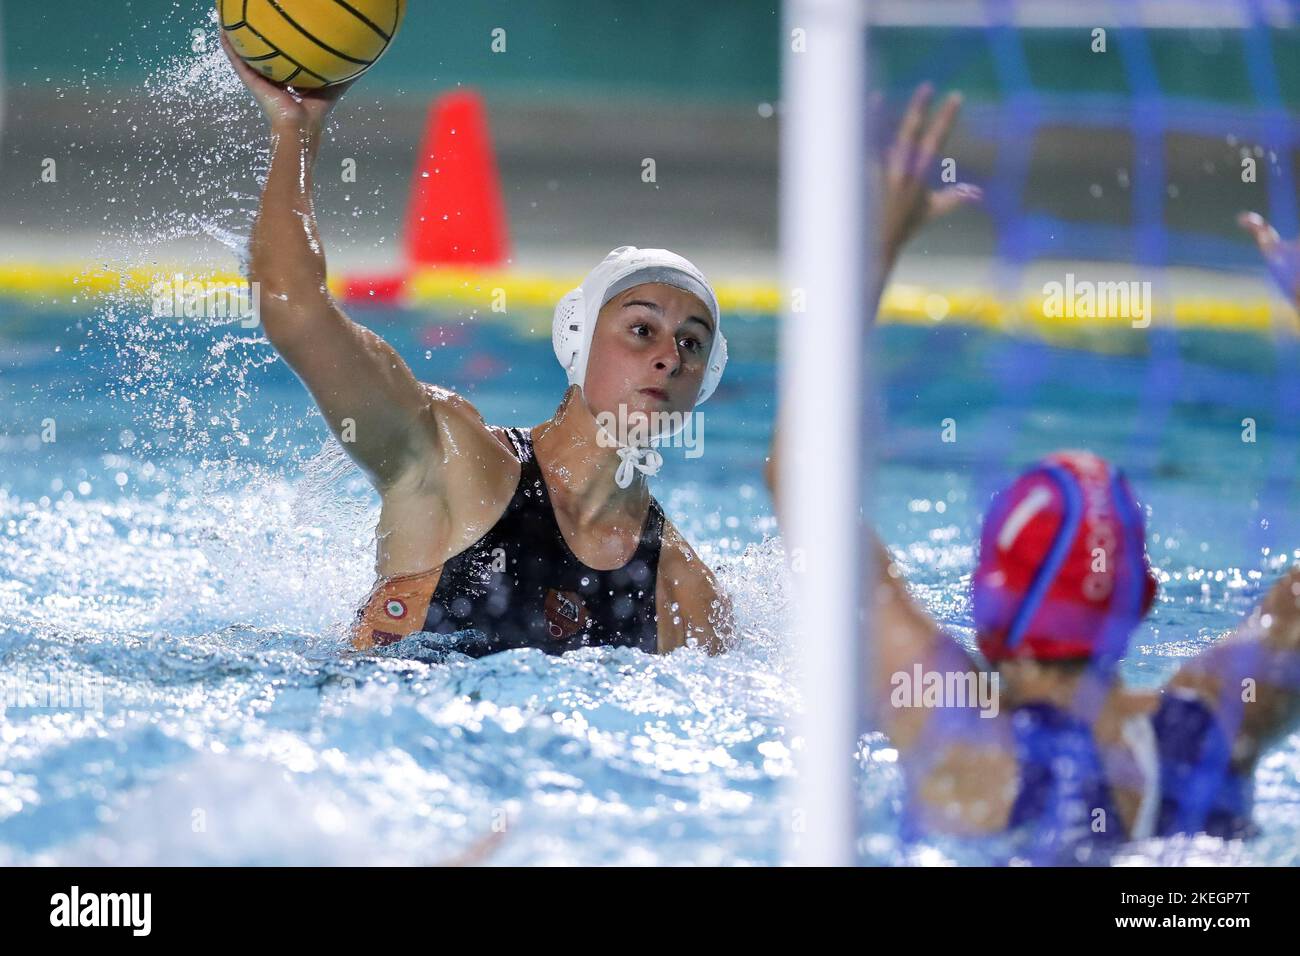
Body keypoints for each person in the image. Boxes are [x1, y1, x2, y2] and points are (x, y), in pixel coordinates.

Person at [767, 84, 1300, 854]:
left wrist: (878, 242)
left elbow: (800, 473)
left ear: (987, 604)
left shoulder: (959, 742)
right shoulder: (1221, 724)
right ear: (1141, 599)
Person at [221, 36, 733, 659]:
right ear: (576, 340)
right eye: (641, 328)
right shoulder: (456, 462)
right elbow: (292, 308)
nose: (669, 357)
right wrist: (294, 128)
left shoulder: (685, 593)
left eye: (692, 344)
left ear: (704, 383)